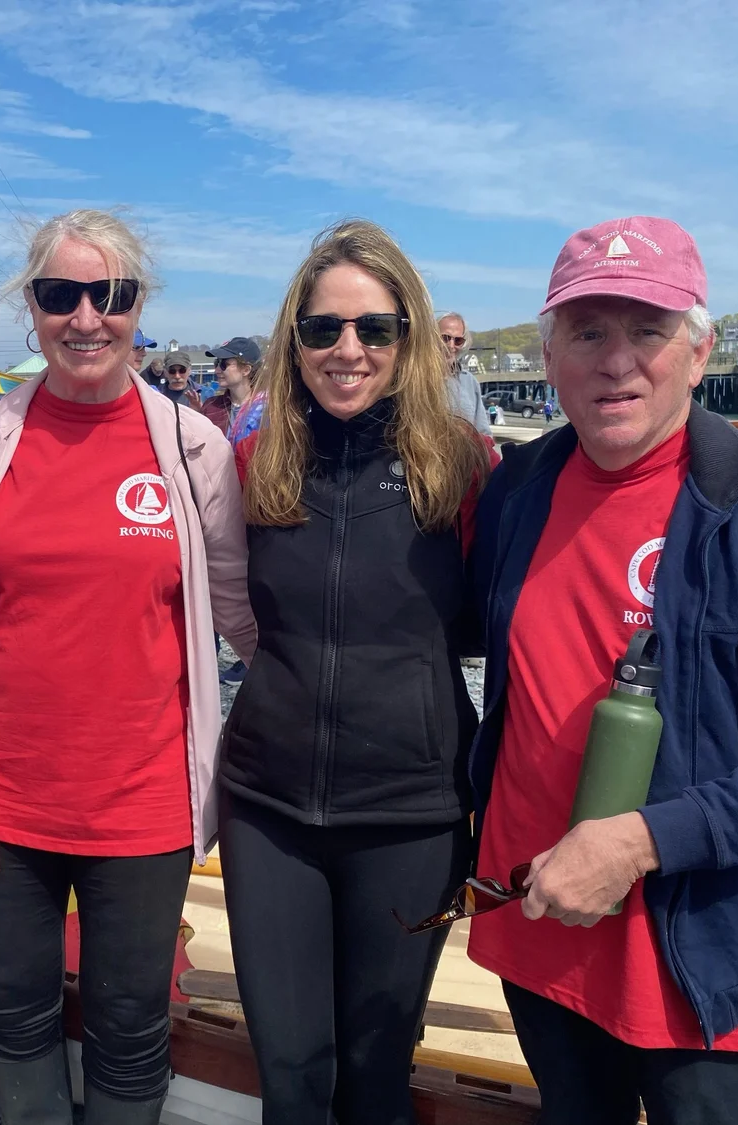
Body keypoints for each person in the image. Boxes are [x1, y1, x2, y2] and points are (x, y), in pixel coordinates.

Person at [466, 216, 738, 1124]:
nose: (617, 361)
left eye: (647, 331)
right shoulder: (519, 487)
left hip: (705, 966)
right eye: (588, 331)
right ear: (550, 356)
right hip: (539, 931)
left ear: (697, 354)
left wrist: (638, 842)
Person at [0, 209, 256, 1125]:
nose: (86, 317)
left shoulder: (194, 447)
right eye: (61, 295)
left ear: (138, 308)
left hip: (144, 806)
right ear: (33, 307)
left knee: (132, 1022)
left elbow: (243, 616)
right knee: (12, 1017)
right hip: (3, 803)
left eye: (111, 296)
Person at [219, 219, 490, 1125]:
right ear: (292, 339)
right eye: (323, 327)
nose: (347, 350)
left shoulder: (461, 464)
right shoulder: (255, 462)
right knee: (291, 1073)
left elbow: (515, 623)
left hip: (410, 817)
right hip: (269, 811)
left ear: (408, 339)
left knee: (377, 1075)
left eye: (374, 329)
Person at [201, 335, 265, 446]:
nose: (217, 370)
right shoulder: (211, 407)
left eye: (224, 364)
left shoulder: (267, 410)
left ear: (246, 370)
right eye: (217, 363)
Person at [439, 311, 493, 436]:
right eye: (445, 338)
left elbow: (483, 434)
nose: (451, 346)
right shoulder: (413, 378)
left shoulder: (470, 382)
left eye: (458, 341)